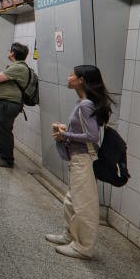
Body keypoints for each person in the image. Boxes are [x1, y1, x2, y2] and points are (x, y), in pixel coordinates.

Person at [47, 65, 112, 260]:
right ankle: (70, 235)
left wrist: (65, 135)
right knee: (71, 200)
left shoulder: (85, 105)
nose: (68, 78)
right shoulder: (83, 102)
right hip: (78, 158)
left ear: (81, 80)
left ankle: (83, 247)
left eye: (72, 75)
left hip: (83, 159)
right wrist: (65, 130)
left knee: (84, 205)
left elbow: (92, 136)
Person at [0, 42, 30, 168]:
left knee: (4, 130)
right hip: (2, 103)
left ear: (13, 53)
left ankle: (7, 159)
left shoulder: (19, 67)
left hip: (8, 104)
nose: (8, 52)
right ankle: (1, 152)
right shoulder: (15, 66)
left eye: (10, 50)